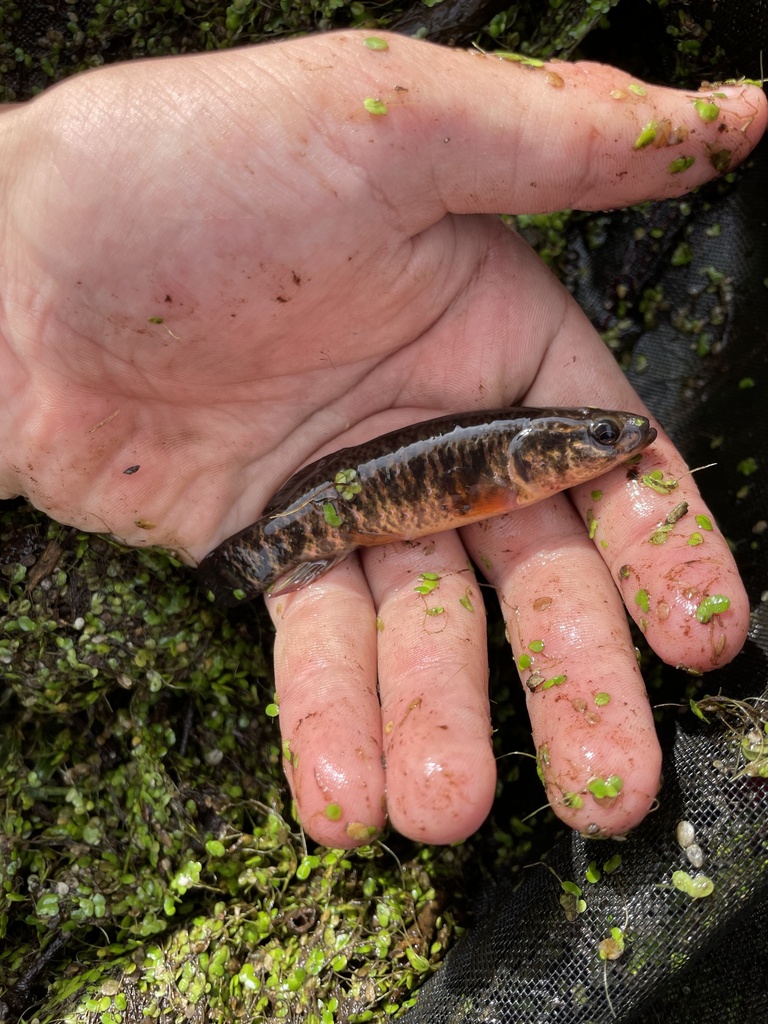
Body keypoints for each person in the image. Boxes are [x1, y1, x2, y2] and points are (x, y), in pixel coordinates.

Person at [0, 30, 764, 848]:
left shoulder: (523, 459)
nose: (626, 439)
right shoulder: (512, 463)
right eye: (603, 436)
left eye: (609, 436)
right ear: (539, 458)